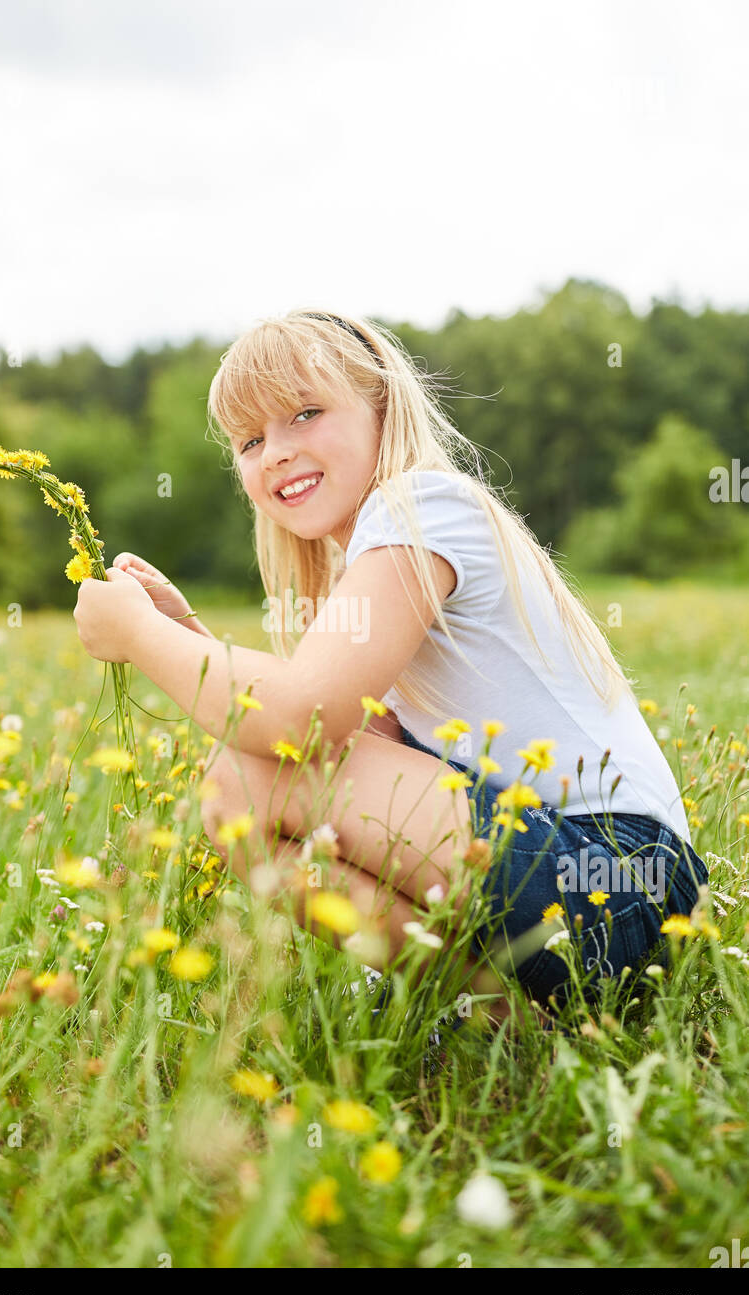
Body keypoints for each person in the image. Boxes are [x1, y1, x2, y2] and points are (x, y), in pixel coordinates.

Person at [72, 308, 708, 1024]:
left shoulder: (422, 510)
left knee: (242, 783)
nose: (276, 451)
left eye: (305, 413)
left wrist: (138, 636)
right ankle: (506, 1016)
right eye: (250, 440)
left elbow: (298, 720)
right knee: (244, 793)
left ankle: (490, 1003)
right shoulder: (373, 557)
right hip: (603, 899)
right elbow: (344, 747)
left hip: (623, 880)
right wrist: (184, 633)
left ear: (380, 409)